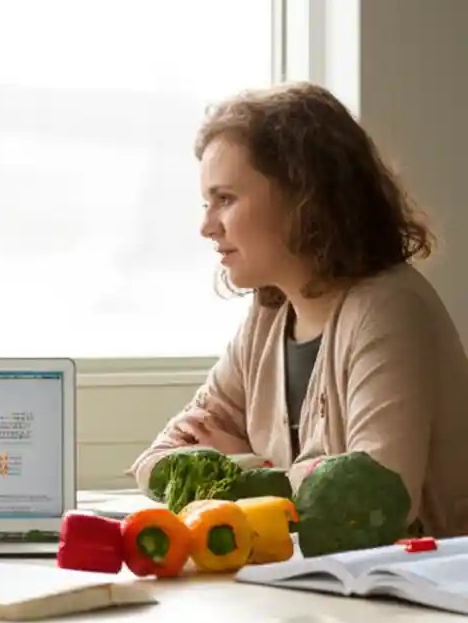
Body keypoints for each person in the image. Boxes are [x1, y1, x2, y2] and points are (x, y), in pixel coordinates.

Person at [130, 81, 468, 536]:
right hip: (316, 585)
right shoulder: (267, 318)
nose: (207, 226)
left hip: (421, 597)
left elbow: (376, 501)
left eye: (225, 199)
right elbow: (154, 463)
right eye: (206, 203)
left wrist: (249, 466)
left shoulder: (388, 309)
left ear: (301, 197)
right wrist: (268, 476)